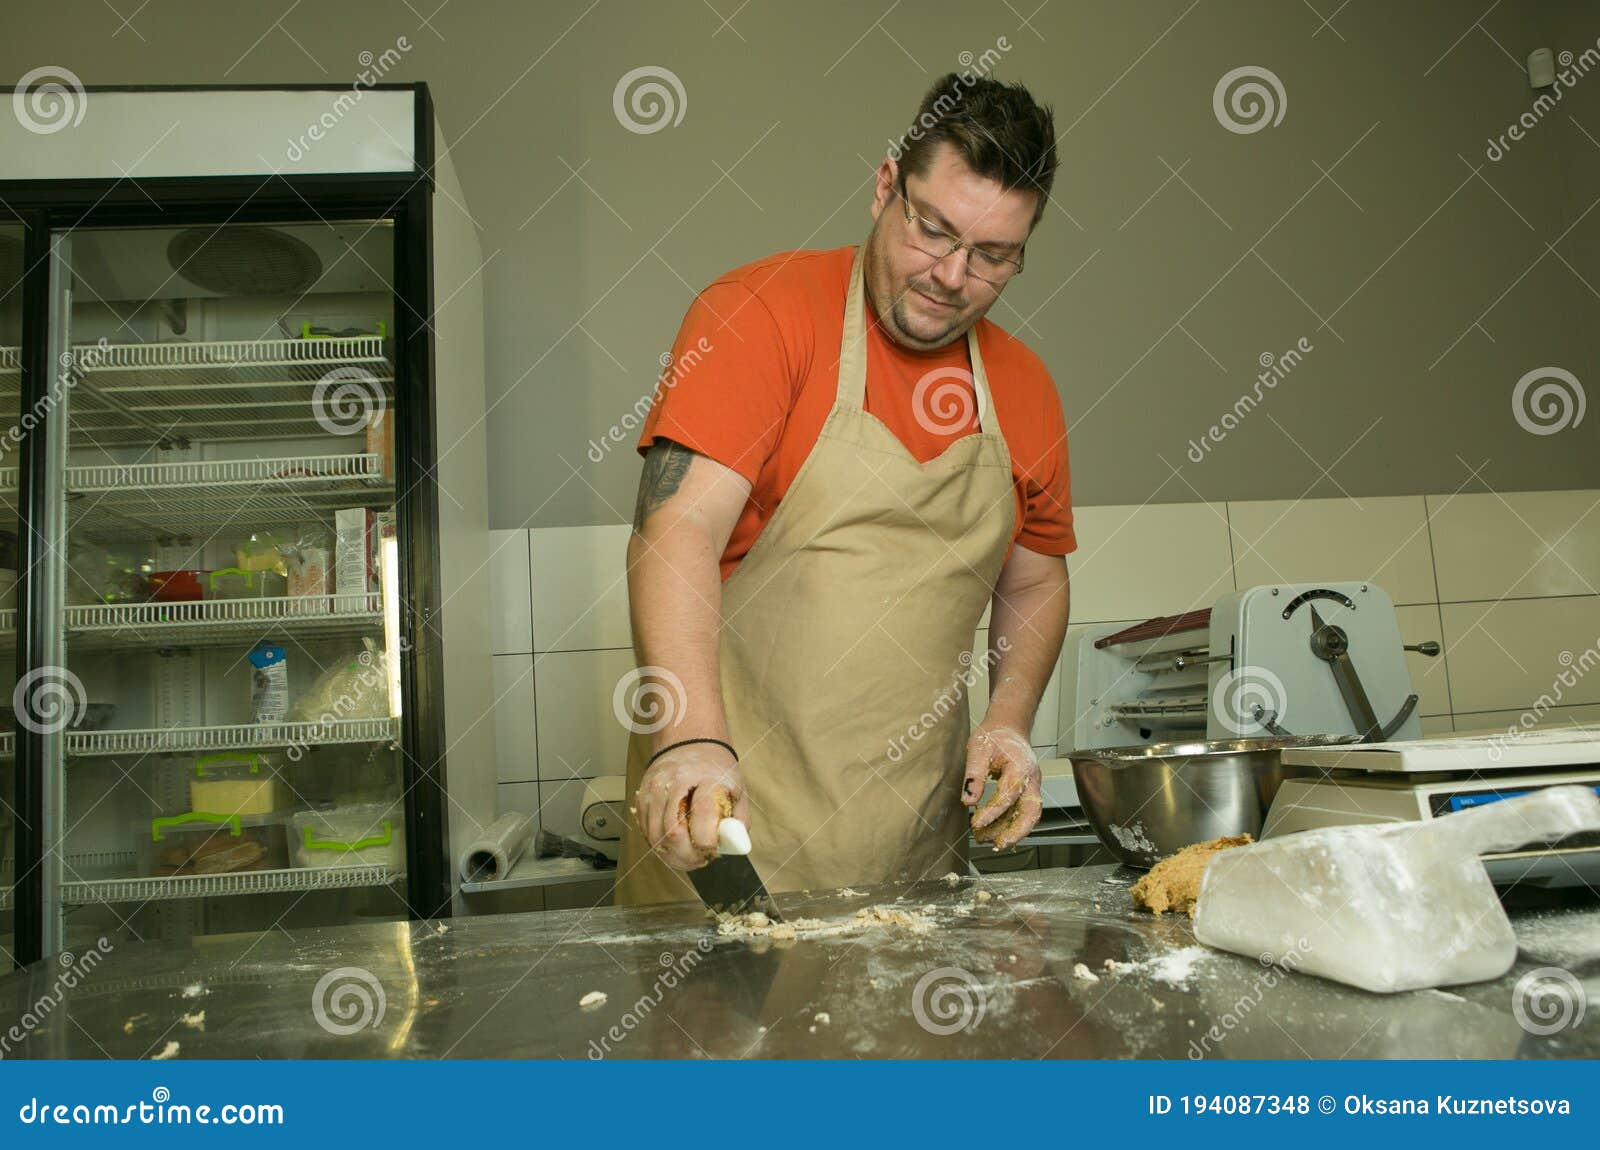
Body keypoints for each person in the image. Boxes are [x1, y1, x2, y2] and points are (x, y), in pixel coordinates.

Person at [618, 73, 1074, 905]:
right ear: (884, 188)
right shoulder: (759, 314)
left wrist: (1010, 718)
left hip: (916, 856)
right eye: (932, 230)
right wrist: (687, 742)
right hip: (730, 838)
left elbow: (1037, 576)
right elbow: (674, 528)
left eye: (992, 256)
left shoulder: (1027, 386)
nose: (950, 275)